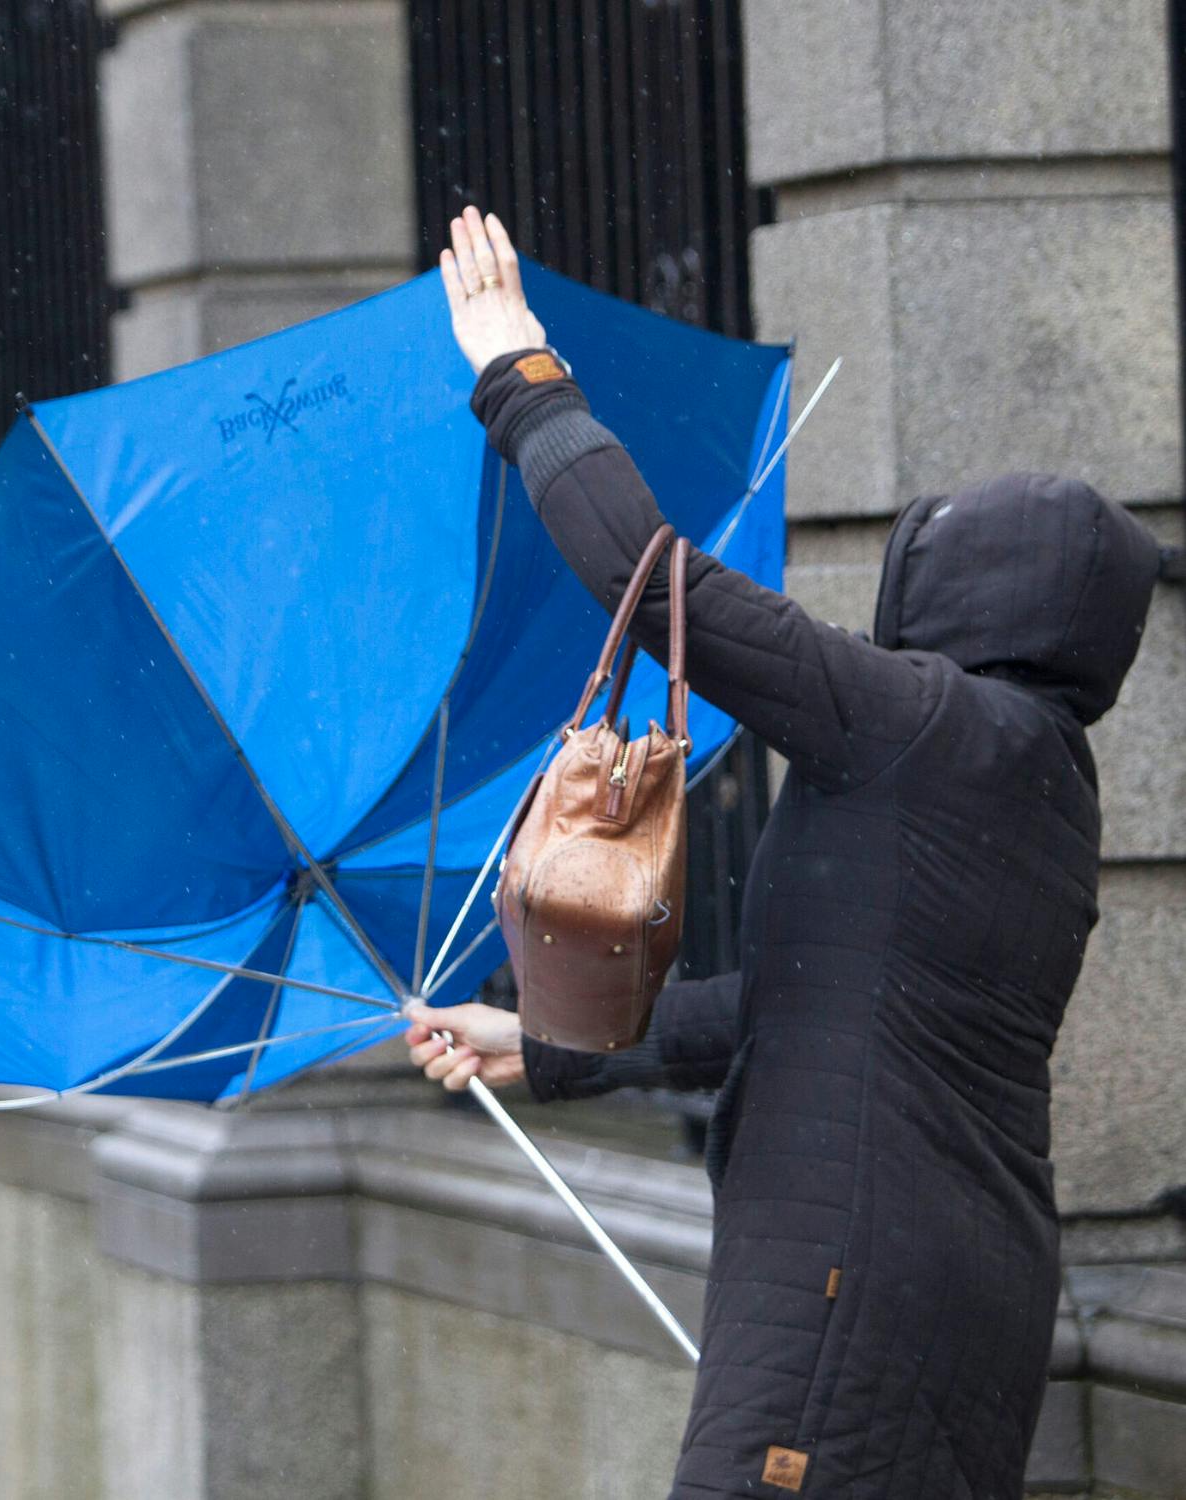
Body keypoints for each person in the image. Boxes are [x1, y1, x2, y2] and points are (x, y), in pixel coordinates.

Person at [405, 206, 1163, 1499]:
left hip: (847, 1276)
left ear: (972, 593)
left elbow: (653, 587)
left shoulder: (928, 727)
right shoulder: (1027, 772)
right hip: (929, 1278)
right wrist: (547, 1044)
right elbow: (805, 1010)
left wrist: (518, 371)